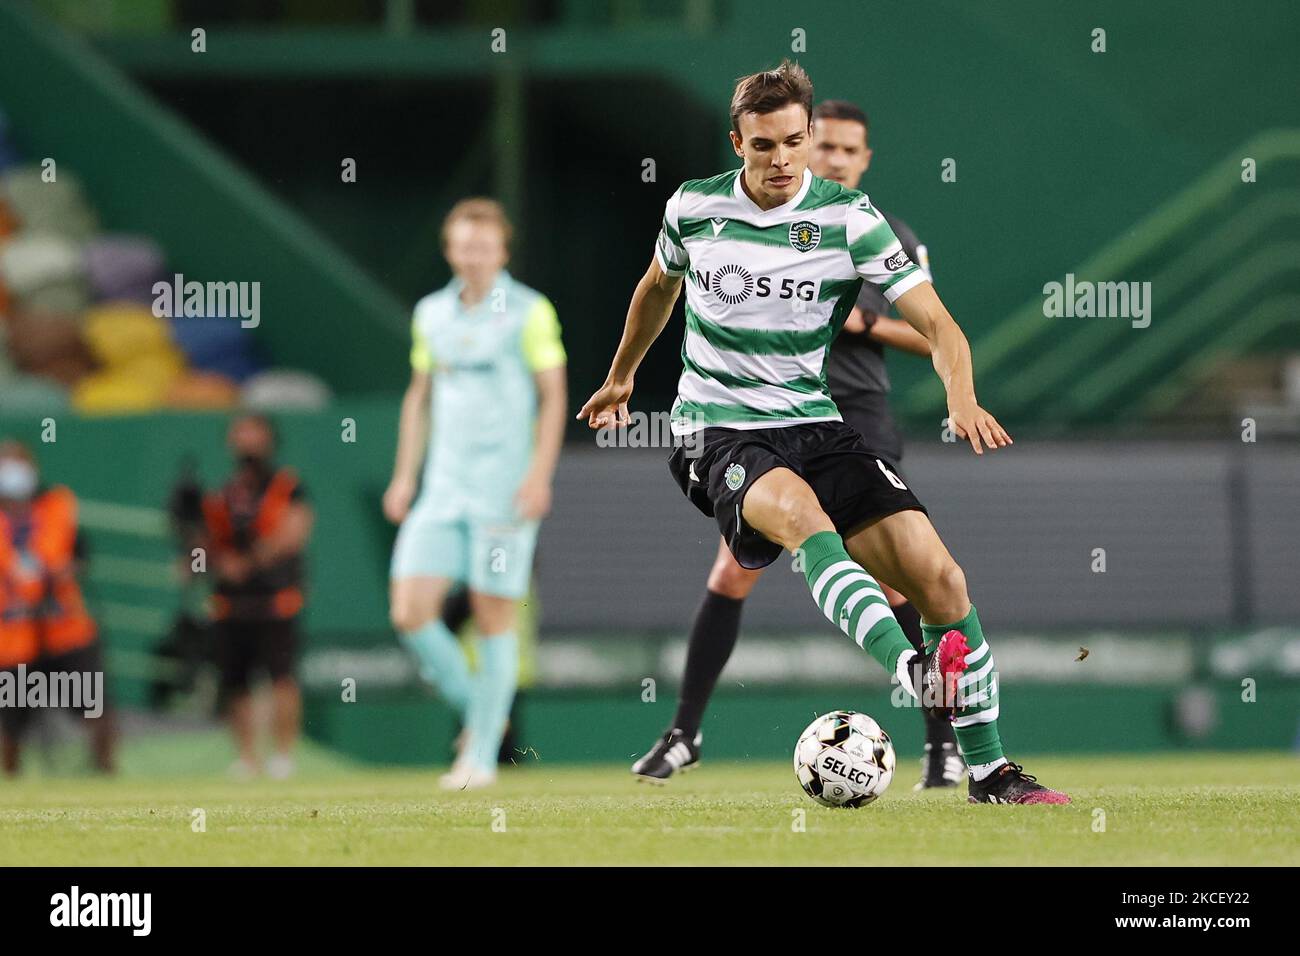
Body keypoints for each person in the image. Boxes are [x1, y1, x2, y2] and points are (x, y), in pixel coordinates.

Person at [579, 61, 1069, 804]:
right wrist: (621, 376)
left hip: (816, 424)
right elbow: (657, 286)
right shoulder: (692, 208)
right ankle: (913, 674)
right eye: (764, 145)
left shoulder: (851, 218)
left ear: (810, 136)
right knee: (806, 522)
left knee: (941, 579)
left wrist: (960, 394)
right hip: (713, 432)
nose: (782, 160)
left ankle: (989, 770)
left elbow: (935, 321)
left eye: (795, 142)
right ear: (736, 141)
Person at [632, 98, 966, 790]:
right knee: (732, 571)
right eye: (826, 148)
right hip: (753, 416)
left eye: (848, 150)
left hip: (852, 413)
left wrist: (863, 324)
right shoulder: (740, 218)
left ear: (863, 158)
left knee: (897, 575)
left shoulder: (874, 227)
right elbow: (672, 287)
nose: (832, 159)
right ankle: (683, 733)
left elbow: (928, 324)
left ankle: (945, 744)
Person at [385, 198, 567, 791]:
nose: (474, 256)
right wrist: (404, 476)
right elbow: (419, 395)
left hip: (503, 495)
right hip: (442, 490)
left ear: (502, 251)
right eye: (464, 245)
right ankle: (483, 713)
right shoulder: (431, 314)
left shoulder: (529, 311)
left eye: (484, 246)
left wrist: (539, 475)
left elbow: (554, 396)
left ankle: (481, 758)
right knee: (410, 612)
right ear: (450, 250)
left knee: (493, 620)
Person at [202, 414, 313, 779]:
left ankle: (283, 755)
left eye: (254, 433)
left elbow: (293, 534)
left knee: (281, 677)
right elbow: (207, 545)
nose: (246, 442)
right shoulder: (224, 492)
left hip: (275, 599)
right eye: (240, 433)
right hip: (232, 603)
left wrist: (247, 563)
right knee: (237, 681)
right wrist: (217, 563)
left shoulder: (287, 486)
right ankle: (247, 758)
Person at [0, 440, 114, 775]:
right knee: (11, 720)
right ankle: (11, 790)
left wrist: (59, 570)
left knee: (95, 706)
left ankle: (107, 773)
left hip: (65, 630)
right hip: (13, 638)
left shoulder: (55, 506)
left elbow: (76, 556)